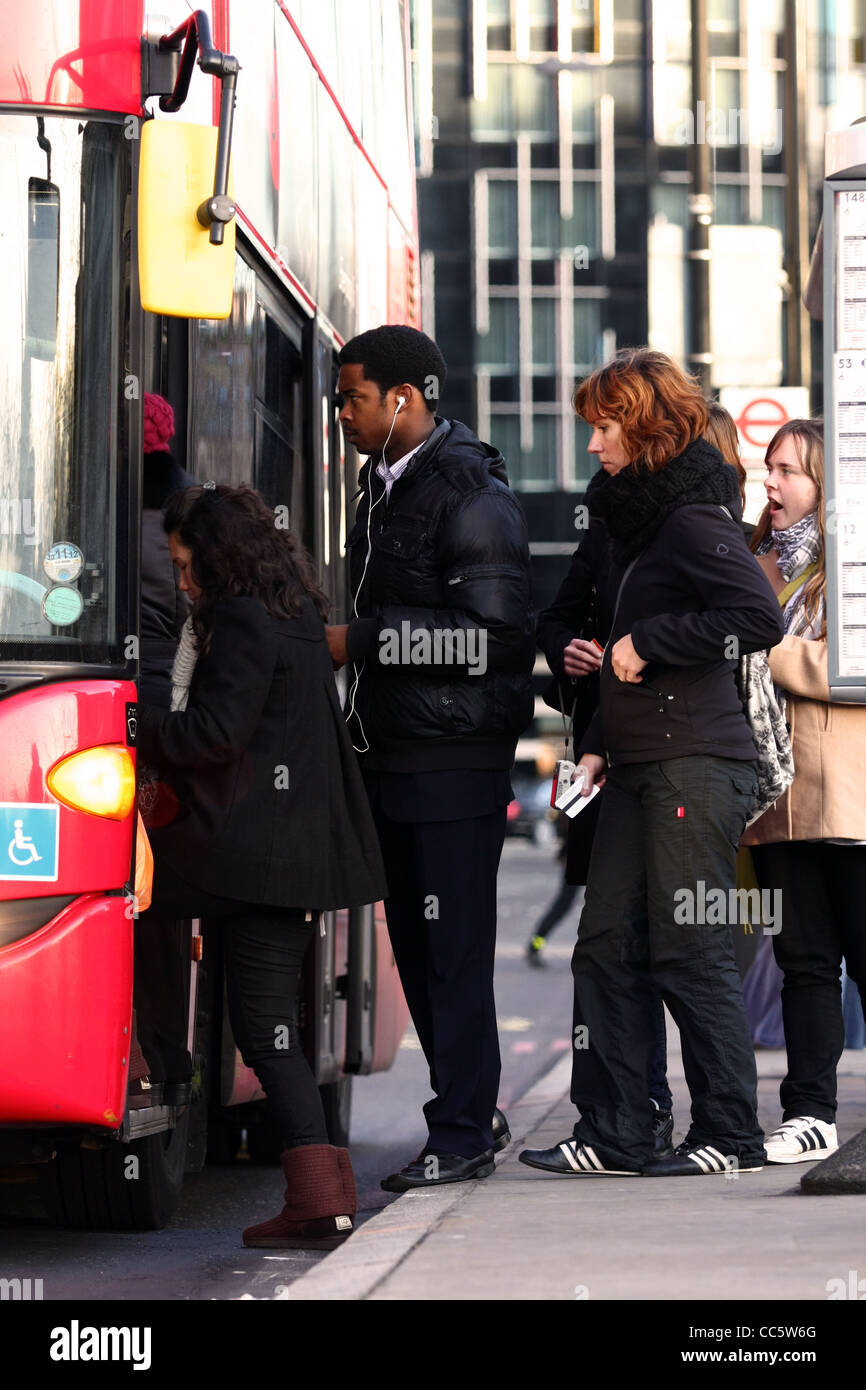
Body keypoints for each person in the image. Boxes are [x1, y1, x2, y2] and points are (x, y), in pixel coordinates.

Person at [519, 347, 783, 1178]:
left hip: (695, 761)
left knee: (689, 947)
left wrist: (649, 641)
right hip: (633, 762)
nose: (592, 445)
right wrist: (591, 727)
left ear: (644, 426)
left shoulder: (690, 516)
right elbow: (569, 624)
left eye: (603, 427)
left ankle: (729, 1135)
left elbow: (756, 616)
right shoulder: (625, 522)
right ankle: (620, 1131)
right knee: (604, 948)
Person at [136, 483, 387, 1248]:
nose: (182, 583)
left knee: (265, 1029)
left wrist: (137, 713)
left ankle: (317, 1199)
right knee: (271, 1025)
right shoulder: (293, 612)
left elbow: (215, 733)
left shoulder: (241, 620)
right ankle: (325, 1197)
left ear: (217, 557)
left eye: (187, 567)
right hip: (288, 851)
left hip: (258, 859)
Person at [326, 325, 535, 1190]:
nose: (342, 413)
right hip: (399, 759)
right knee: (418, 953)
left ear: (403, 398)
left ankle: (459, 1136)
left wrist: (360, 642)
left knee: (450, 956)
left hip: (453, 766)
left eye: (352, 397)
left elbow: (489, 643)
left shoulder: (469, 495)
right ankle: (469, 1109)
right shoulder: (384, 487)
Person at [743, 419, 866, 1163]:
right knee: (805, 963)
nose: (772, 483)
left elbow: (849, 672)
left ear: (825, 483)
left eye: (789, 470)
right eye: (769, 467)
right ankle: (810, 1111)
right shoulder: (760, 565)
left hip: (849, 801)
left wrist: (765, 646)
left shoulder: (852, 564)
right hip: (777, 804)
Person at [133, 393, 197, 1106]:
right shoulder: (188, 512)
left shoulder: (97, 508)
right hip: (168, 724)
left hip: (119, 717)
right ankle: (167, 1046)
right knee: (160, 892)